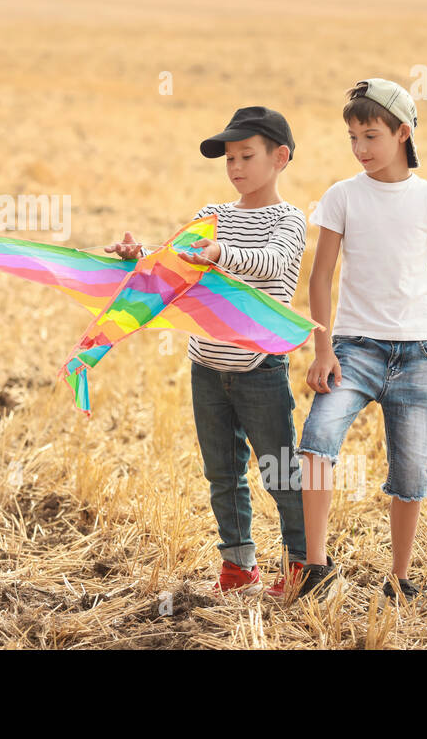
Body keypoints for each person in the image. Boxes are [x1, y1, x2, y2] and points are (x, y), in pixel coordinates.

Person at [295, 78, 427, 603]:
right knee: (316, 443)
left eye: (371, 136)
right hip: (353, 349)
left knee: (410, 474)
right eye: (352, 138)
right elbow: (320, 277)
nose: (360, 150)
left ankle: (399, 578)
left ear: (403, 133)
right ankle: (315, 566)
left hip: (418, 352)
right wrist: (323, 348)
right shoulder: (341, 196)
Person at [108, 107, 309, 597]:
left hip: (260, 368)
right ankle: (239, 566)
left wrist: (220, 255)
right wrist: (141, 257)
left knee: (279, 470)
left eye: (246, 155)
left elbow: (273, 265)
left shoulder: (288, 219)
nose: (235, 166)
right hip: (206, 366)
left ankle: (301, 563)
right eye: (229, 159)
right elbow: (174, 261)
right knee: (222, 472)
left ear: (280, 157)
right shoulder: (210, 218)